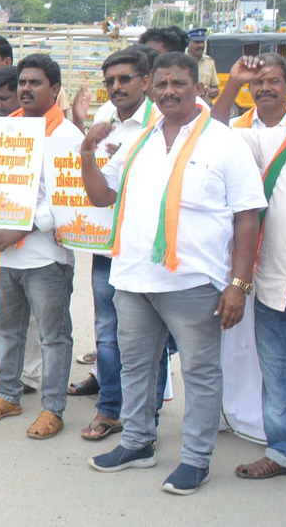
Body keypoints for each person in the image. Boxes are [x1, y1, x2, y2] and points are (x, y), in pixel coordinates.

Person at [80, 52, 264, 495]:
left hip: (193, 284)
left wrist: (237, 285)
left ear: (198, 87)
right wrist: (87, 150)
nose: (169, 92)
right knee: (135, 368)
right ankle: (138, 442)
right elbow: (102, 195)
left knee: (200, 374)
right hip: (133, 279)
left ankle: (196, 459)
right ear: (151, 87)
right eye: (161, 84)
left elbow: (247, 216)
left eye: (178, 83)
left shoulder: (224, 142)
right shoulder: (140, 139)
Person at [0, 54, 81, 439]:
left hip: (44, 255)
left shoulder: (67, 135)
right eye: (23, 83)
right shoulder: (2, 130)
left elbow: (69, 197)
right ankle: (9, 394)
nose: (26, 89)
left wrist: (21, 229)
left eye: (36, 83)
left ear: (54, 90)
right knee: (6, 329)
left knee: (53, 335)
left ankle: (53, 408)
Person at [69, 48, 171, 441]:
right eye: (109, 81)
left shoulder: (164, 125)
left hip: (152, 248)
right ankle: (111, 408)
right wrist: (88, 150)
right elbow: (101, 194)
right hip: (108, 245)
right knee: (108, 335)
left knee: (153, 338)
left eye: (125, 79)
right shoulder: (102, 122)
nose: (116, 87)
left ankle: (149, 415)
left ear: (146, 82)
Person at [232, 72, 286, 479]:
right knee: (279, 377)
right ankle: (285, 453)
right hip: (276, 286)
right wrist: (234, 85)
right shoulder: (276, 143)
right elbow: (215, 130)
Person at [214, 53, 286, 129]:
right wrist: (234, 81)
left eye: (273, 81)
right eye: (258, 82)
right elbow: (212, 130)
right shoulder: (237, 126)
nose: (265, 88)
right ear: (250, 88)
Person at [186, 29, 219, 102]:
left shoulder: (209, 62)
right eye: (196, 42)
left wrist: (214, 92)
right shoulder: (180, 61)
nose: (200, 45)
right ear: (188, 43)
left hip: (205, 108)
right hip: (185, 107)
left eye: (202, 42)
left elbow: (215, 87)